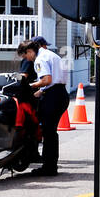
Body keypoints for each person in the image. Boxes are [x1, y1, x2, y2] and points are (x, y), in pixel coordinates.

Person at [28, 36, 70, 177]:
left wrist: (32, 85)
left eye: (26, 55)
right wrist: (41, 91)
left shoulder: (40, 59)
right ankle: (50, 164)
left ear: (31, 50)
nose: (27, 59)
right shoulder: (52, 55)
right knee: (50, 131)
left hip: (53, 97)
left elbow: (47, 80)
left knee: (48, 132)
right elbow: (55, 81)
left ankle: (49, 167)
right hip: (60, 94)